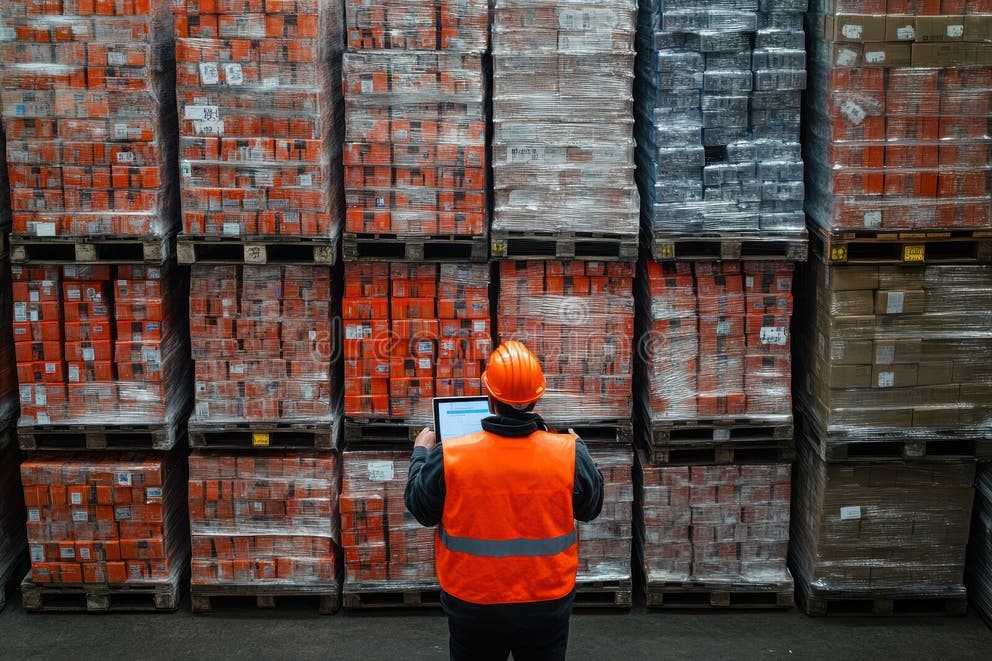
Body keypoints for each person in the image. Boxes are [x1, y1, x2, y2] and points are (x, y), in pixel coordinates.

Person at [405, 340, 605, 661]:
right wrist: (583, 453)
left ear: (489, 397)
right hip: (546, 602)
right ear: (537, 397)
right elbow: (590, 508)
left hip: (473, 603)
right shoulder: (568, 452)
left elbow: (421, 509)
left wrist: (420, 453)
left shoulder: (451, 455)